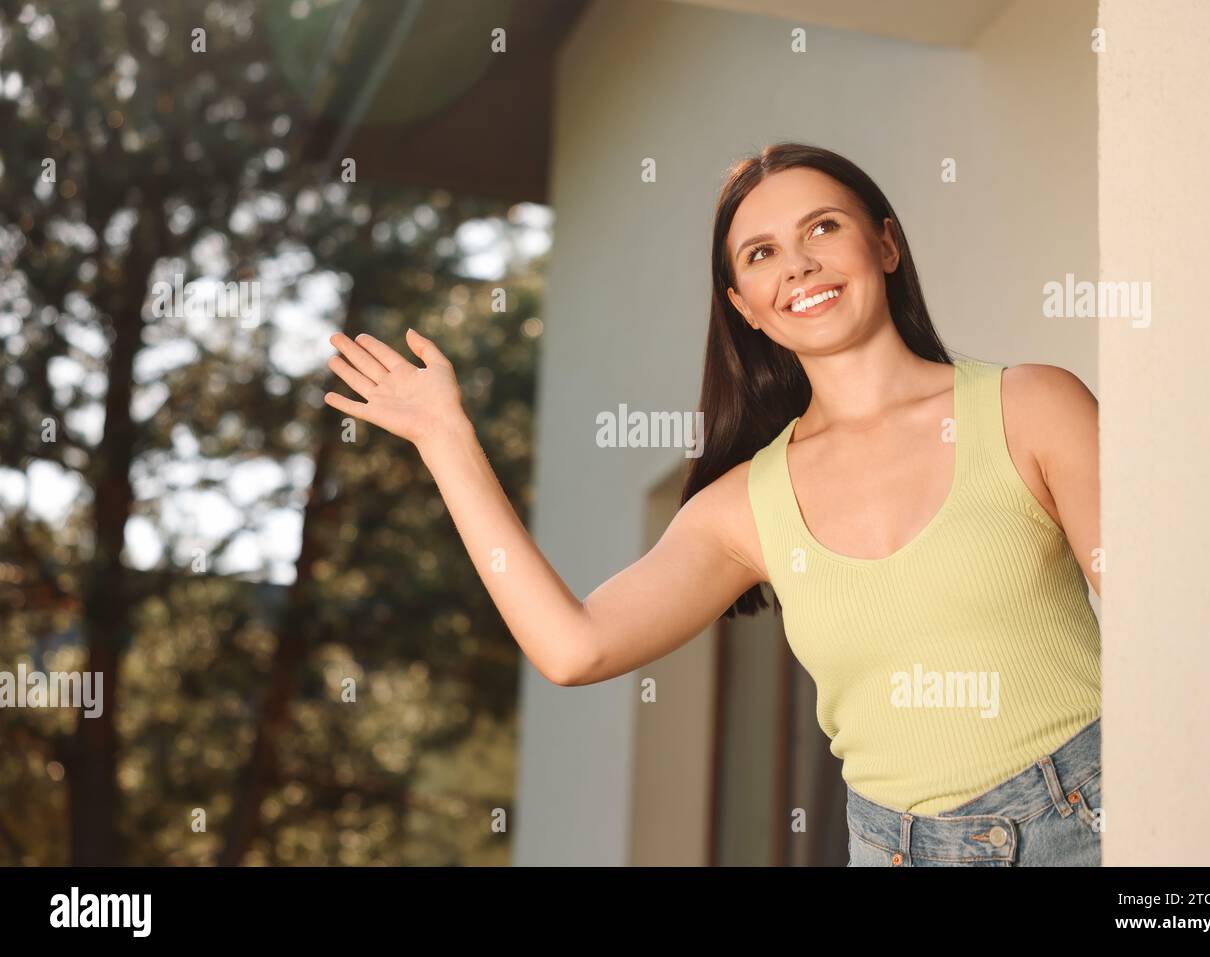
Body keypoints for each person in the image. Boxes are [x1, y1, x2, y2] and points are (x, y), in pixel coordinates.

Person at [322, 141, 1102, 866]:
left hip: (1095, 815)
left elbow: (1162, 629)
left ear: (886, 246)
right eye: (761, 254)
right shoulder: (743, 508)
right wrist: (447, 441)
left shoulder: (1029, 405)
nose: (797, 266)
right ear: (746, 305)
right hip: (893, 846)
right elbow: (574, 647)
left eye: (822, 228)